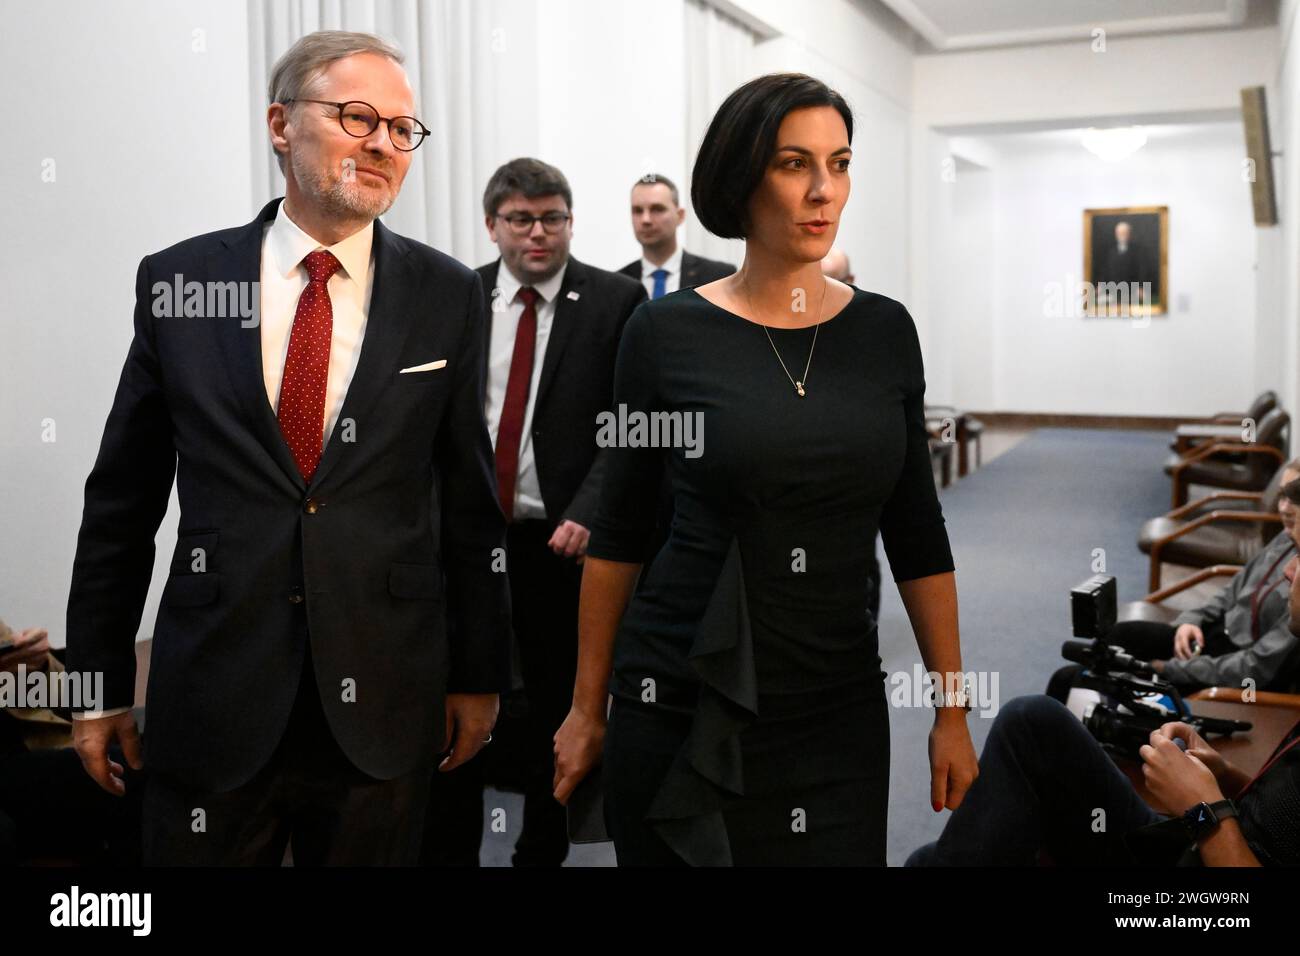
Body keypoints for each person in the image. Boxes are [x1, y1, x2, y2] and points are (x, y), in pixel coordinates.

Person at [66, 30, 510, 865]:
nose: (383, 143)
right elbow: (121, 502)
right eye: (356, 117)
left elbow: (467, 500)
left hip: (384, 690)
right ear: (281, 124)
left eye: (402, 129)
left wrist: (480, 673)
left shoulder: (446, 293)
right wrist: (94, 685)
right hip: (215, 693)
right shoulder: (184, 282)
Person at [551, 72, 979, 866]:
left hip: (835, 700)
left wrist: (950, 712)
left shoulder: (886, 332)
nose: (825, 190)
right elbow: (621, 530)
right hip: (682, 693)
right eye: (794, 164)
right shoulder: (662, 333)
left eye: (841, 163)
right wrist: (586, 707)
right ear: (742, 180)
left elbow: (918, 534)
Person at [422, 158, 646, 866]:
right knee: (464, 689)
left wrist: (591, 508)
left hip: (561, 543)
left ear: (570, 222)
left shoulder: (617, 300)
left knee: (557, 701)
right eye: (521, 219)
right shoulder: (459, 296)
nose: (538, 233)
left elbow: (632, 422)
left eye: (553, 218)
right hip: (467, 542)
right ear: (493, 226)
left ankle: (540, 850)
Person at [908, 552, 1300, 867]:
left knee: (930, 859)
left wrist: (1203, 808)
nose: (1288, 571)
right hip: (1199, 835)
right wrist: (1224, 776)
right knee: (1033, 721)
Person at [1048, 461, 1300, 701]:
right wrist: (1192, 620)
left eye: (1295, 500)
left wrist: (1166, 669)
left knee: (1069, 681)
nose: (1284, 508)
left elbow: (1254, 668)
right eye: (1282, 495)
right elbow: (1232, 591)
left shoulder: (1298, 592)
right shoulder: (1286, 537)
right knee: (1116, 637)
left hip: (1230, 676)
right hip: (1210, 637)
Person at [0, 619, 142, 865]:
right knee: (139, 774)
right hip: (12, 769)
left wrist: (39, 665)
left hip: (39, 745)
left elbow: (71, 693)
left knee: (157, 752)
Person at [617, 173, 734, 298]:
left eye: (657, 209)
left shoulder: (717, 277)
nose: (646, 219)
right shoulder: (618, 284)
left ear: (680, 216)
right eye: (637, 211)